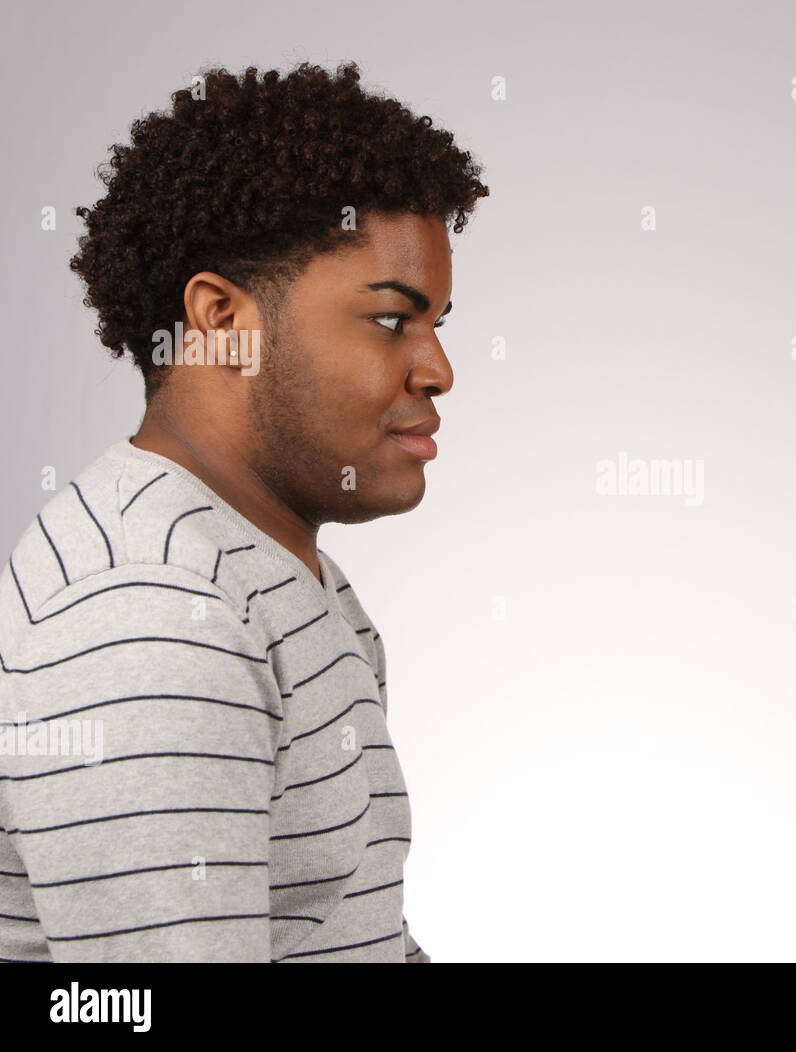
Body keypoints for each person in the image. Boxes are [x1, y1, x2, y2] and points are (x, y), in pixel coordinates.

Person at [0, 62, 488, 961]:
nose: (437, 369)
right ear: (223, 319)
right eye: (391, 320)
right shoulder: (148, 611)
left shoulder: (273, 569)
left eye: (440, 324)